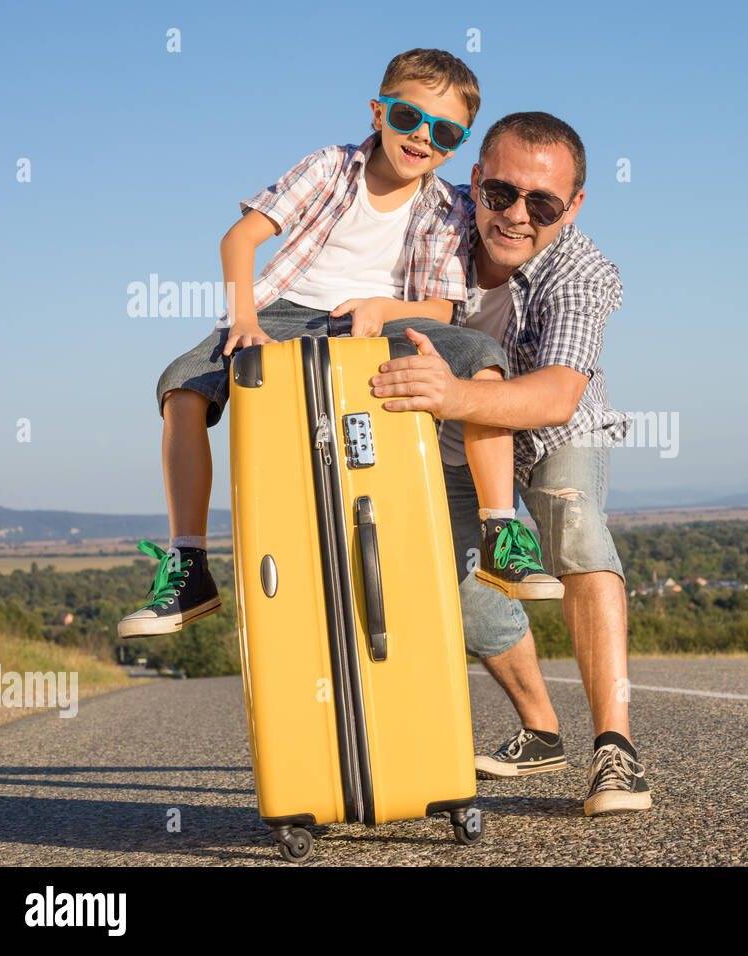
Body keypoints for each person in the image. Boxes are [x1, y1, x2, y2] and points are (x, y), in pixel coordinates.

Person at [119, 50, 562, 640]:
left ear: (458, 145)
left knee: (480, 361)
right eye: (408, 118)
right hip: (282, 312)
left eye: (445, 131)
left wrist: (385, 309)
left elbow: (443, 308)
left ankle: (501, 531)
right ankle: (189, 565)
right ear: (380, 112)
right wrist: (243, 319)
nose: (423, 138)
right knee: (182, 385)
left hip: (380, 322)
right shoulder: (331, 167)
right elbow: (240, 238)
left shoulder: (449, 206)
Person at [372, 112, 650, 816]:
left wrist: (456, 393)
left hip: (552, 426)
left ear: (574, 206)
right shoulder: (430, 220)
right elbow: (356, 180)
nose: (518, 215)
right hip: (450, 434)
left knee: (576, 531)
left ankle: (615, 751)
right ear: (475, 180)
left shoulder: (584, 273)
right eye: (501, 193)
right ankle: (541, 728)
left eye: (543, 203)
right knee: (462, 584)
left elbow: (558, 395)